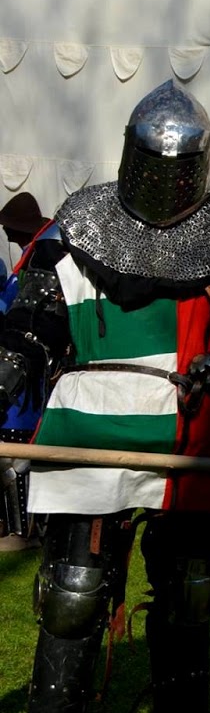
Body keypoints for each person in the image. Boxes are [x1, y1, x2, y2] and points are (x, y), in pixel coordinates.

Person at [0, 81, 210, 713]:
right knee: (72, 600)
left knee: (190, 596)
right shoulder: (73, 235)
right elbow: (25, 337)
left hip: (192, 443)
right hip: (88, 438)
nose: (164, 184)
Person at [0, 191, 52, 551]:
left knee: (19, 455)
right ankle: (14, 527)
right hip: (12, 363)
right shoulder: (24, 261)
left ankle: (26, 531)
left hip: (29, 373)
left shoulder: (39, 261)